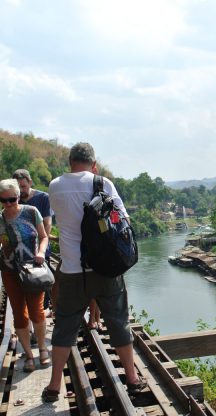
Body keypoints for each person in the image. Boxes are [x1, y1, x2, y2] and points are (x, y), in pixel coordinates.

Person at [43, 142, 144, 402]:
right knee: (118, 321)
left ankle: (54, 386)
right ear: (94, 164)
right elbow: (124, 221)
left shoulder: (55, 186)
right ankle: (132, 379)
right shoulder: (103, 183)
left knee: (65, 326)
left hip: (71, 271)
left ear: (70, 162)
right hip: (106, 270)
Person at [0, 179, 51, 372]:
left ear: (18, 196)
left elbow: (44, 236)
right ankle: (29, 355)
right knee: (19, 315)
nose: (8, 204)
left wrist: (41, 251)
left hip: (32, 270)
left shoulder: (31, 212)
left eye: (12, 199)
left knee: (37, 311)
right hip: (10, 272)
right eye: (3, 200)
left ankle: (42, 348)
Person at [13, 168, 54, 315]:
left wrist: (41, 244)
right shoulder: (12, 199)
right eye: (17, 187)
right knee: (22, 284)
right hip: (19, 250)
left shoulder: (43, 198)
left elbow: (48, 223)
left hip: (39, 248)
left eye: (23, 186)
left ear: (30, 182)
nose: (20, 190)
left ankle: (42, 311)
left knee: (41, 282)